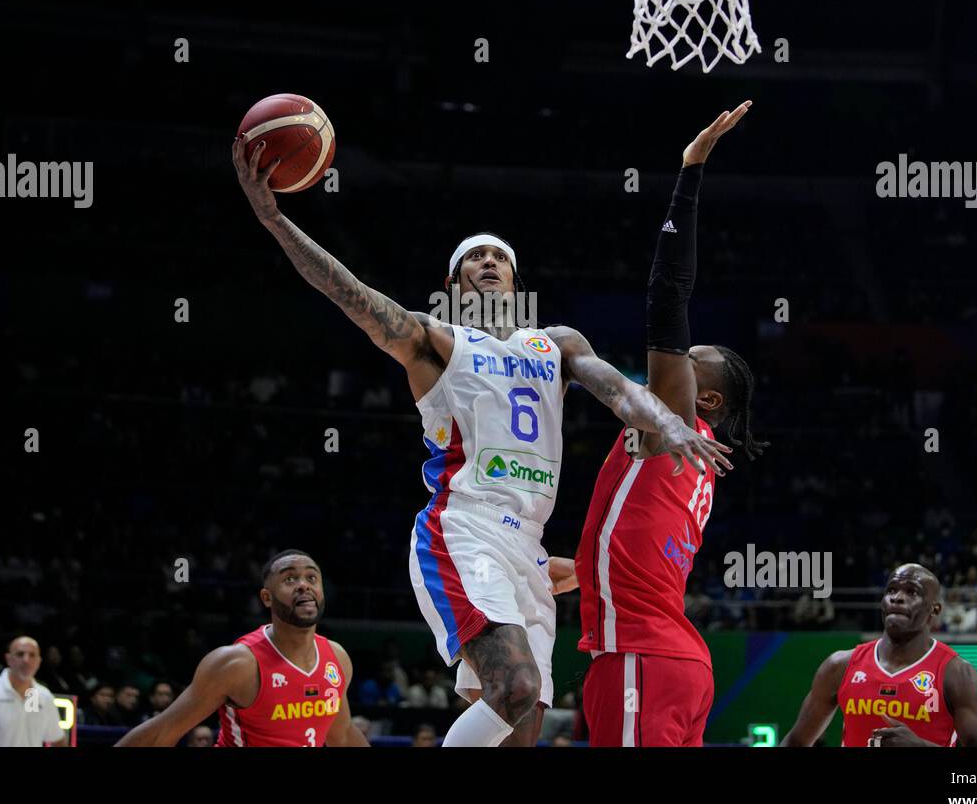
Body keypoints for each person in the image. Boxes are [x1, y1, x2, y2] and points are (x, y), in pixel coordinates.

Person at [232, 135, 730, 748]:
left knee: (521, 730)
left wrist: (667, 419)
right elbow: (352, 296)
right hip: (462, 528)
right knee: (515, 686)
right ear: (456, 280)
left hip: (529, 551)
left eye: (500, 257)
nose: (490, 262)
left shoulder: (558, 344)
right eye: (477, 257)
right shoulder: (435, 341)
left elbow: (616, 390)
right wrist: (276, 221)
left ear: (515, 278)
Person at [548, 104, 757, 747]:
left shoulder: (671, 423)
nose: (669, 367)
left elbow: (668, 292)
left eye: (689, 365)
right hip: (674, 665)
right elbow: (613, 556)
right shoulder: (693, 460)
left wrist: (689, 171)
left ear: (708, 402)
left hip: (644, 658)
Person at [116, 551, 367, 747]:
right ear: (267, 598)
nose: (303, 585)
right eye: (290, 579)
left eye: (311, 578)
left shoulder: (337, 657)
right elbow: (162, 732)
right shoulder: (237, 663)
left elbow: (342, 736)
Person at [782, 565, 977, 746]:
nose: (897, 598)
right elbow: (796, 742)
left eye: (912, 592)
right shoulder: (840, 665)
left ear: (934, 609)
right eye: (892, 590)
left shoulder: (958, 674)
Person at [0, 635, 67, 747]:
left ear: (39, 661)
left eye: (32, 655)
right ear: (8, 659)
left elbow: (58, 740)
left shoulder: (45, 696)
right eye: (20, 654)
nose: (26, 660)